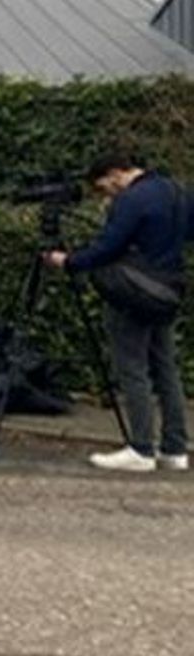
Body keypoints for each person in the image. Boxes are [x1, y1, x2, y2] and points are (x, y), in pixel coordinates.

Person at [44, 153, 189, 473]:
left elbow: (107, 246)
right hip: (167, 290)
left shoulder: (131, 200)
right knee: (166, 368)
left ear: (114, 174)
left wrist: (68, 261)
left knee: (133, 369)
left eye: (103, 188)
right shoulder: (177, 191)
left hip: (132, 294)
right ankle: (175, 447)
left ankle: (141, 447)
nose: (106, 194)